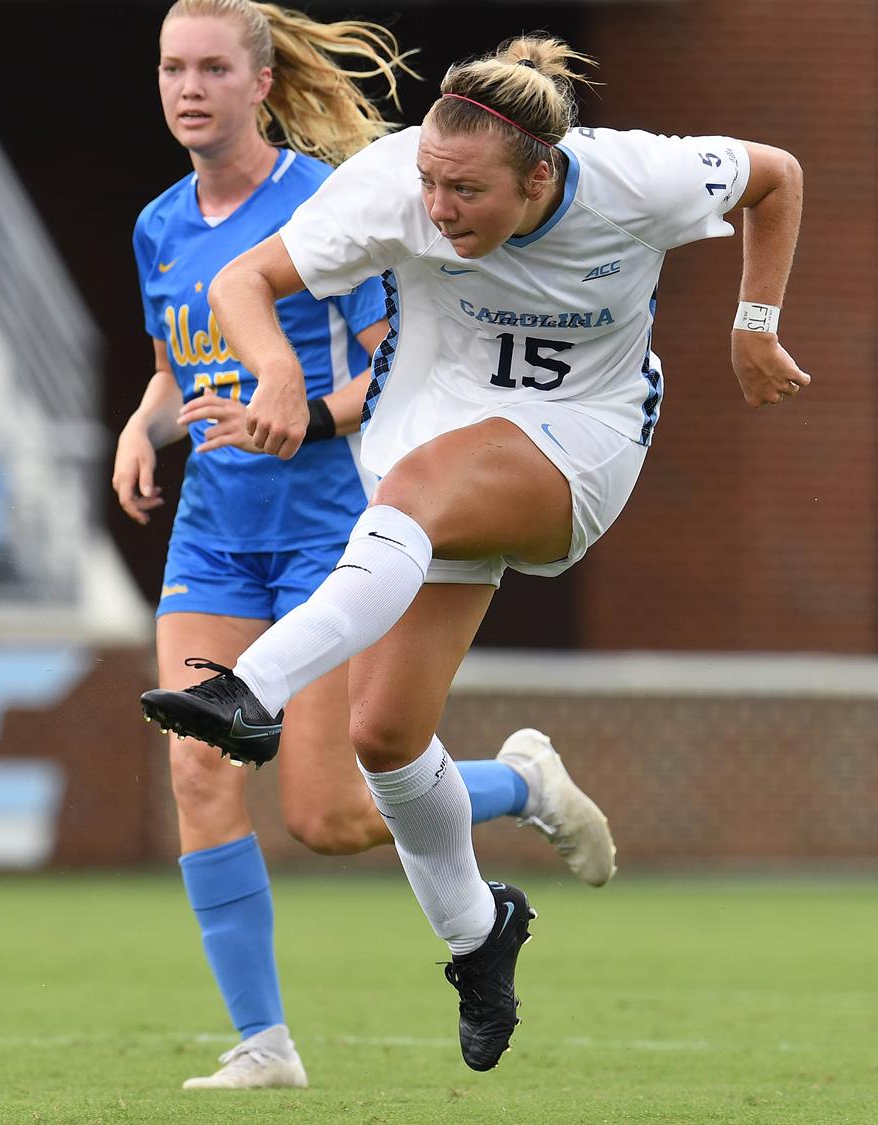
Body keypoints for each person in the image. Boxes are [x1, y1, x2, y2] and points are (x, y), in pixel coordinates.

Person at [142, 33, 810, 1071]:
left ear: (541, 175)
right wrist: (274, 370)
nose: (439, 208)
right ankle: (477, 937)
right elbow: (242, 284)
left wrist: (752, 323)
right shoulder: (392, 186)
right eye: (430, 184)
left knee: (410, 492)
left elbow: (777, 176)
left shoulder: (639, 177)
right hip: (434, 442)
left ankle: (251, 690)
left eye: (465, 192)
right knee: (382, 738)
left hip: (578, 445)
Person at [120, 3, 616, 1091]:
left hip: (330, 526)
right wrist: (143, 421)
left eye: (210, 67)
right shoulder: (160, 223)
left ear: (260, 83)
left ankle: (517, 782)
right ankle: (263, 1046)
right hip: (216, 528)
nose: (186, 87)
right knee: (196, 766)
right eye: (170, 67)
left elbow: (409, 357)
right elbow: (182, 359)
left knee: (331, 815)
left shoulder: (327, 202)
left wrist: (317, 411)